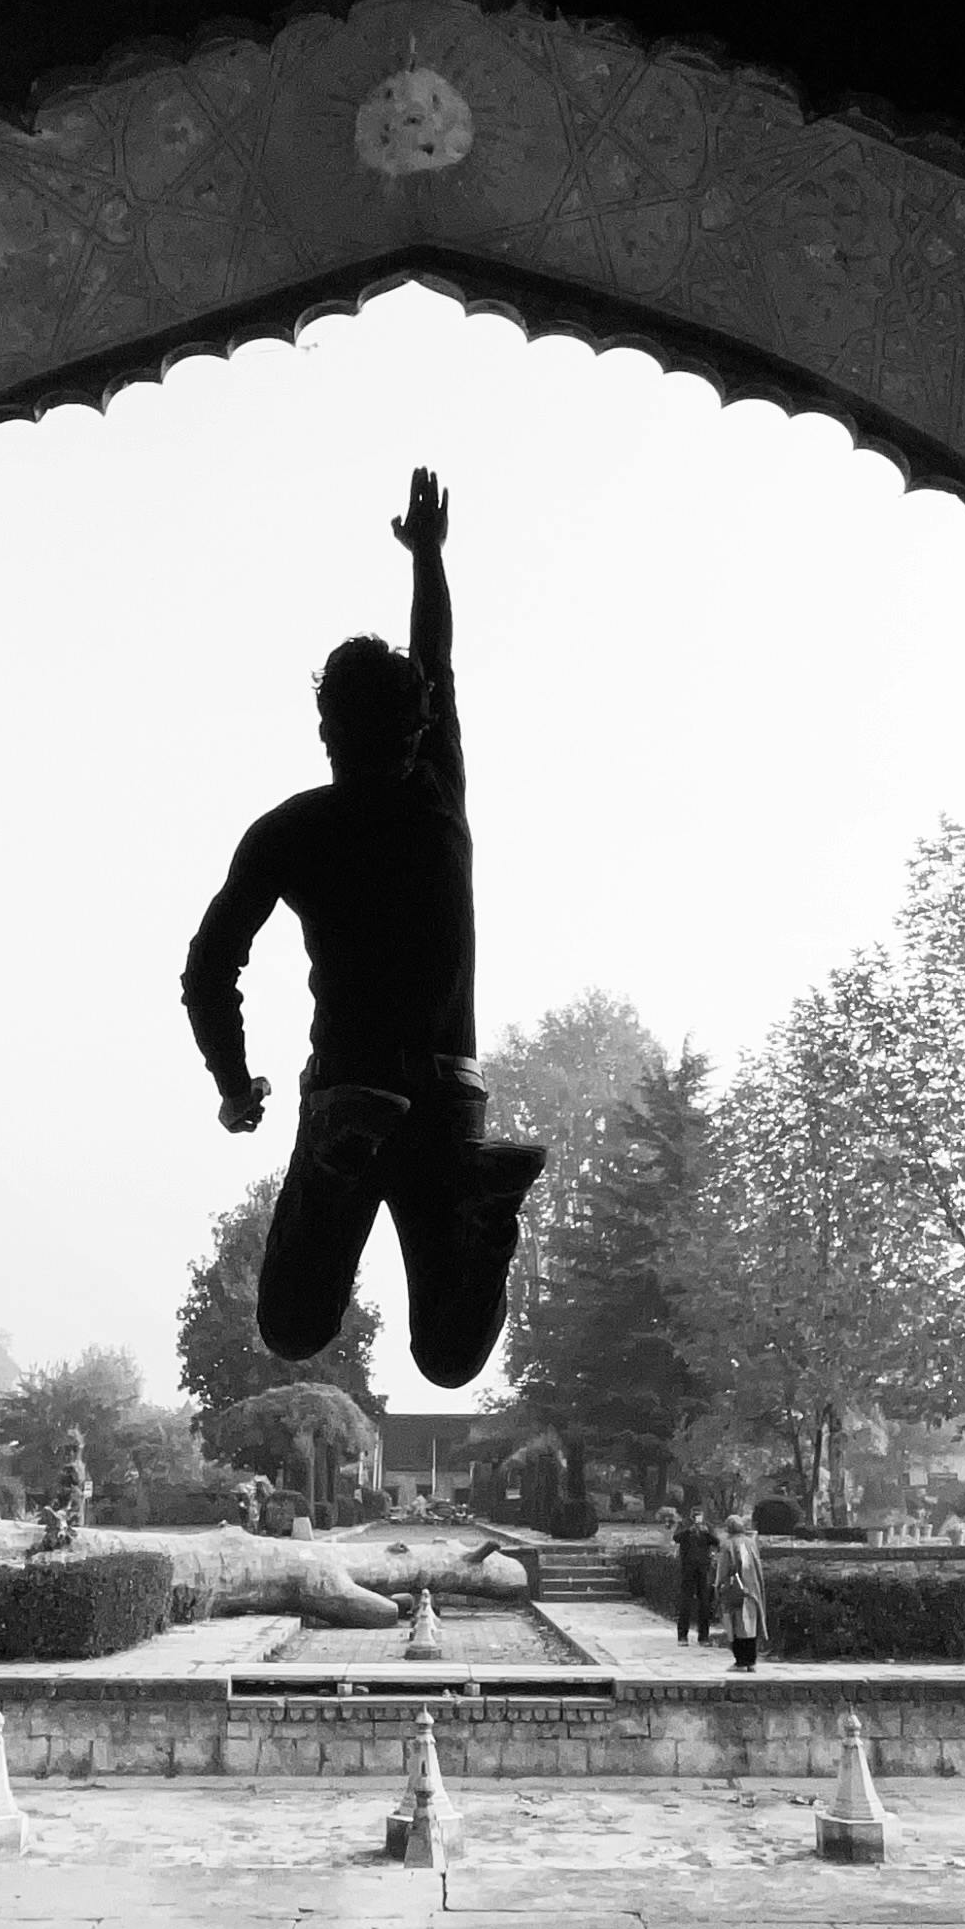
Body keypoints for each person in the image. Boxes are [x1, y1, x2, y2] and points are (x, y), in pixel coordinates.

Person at [182, 469, 545, 1390]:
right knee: (451, 1360)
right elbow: (437, 659)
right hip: (449, 1096)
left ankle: (338, 1165)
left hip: (352, 1083)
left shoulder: (290, 831)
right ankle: (489, 1220)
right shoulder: (437, 793)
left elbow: (209, 968)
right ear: (422, 727)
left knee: (293, 1325)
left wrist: (235, 1086)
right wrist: (428, 558)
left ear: (324, 729)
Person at [719, 1513, 768, 1674]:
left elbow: (723, 1569)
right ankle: (751, 1662)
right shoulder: (750, 1543)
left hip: (735, 1591)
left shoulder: (728, 1545)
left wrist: (718, 1585)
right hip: (752, 1590)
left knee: (736, 1626)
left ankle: (740, 1661)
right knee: (750, 1626)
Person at [674, 1507, 721, 1647]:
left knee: (705, 1602)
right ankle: (682, 1635)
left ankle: (704, 1636)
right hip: (687, 1567)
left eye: (699, 1514)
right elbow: (676, 1538)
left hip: (703, 1568)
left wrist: (706, 1533)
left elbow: (716, 1542)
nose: (697, 1517)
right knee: (685, 1601)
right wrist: (689, 1530)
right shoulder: (684, 1524)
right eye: (695, 1514)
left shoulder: (708, 1526)